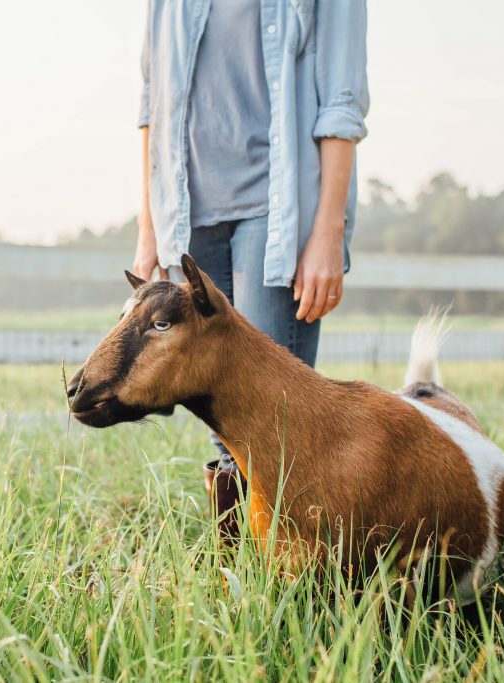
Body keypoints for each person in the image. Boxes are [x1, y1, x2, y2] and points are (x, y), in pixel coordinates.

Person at [134, 0, 369, 528]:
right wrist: (149, 228)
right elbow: (152, 102)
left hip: (278, 214)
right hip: (187, 212)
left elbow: (342, 103)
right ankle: (241, 579)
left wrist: (329, 233)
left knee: (275, 417)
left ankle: (294, 579)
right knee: (221, 416)